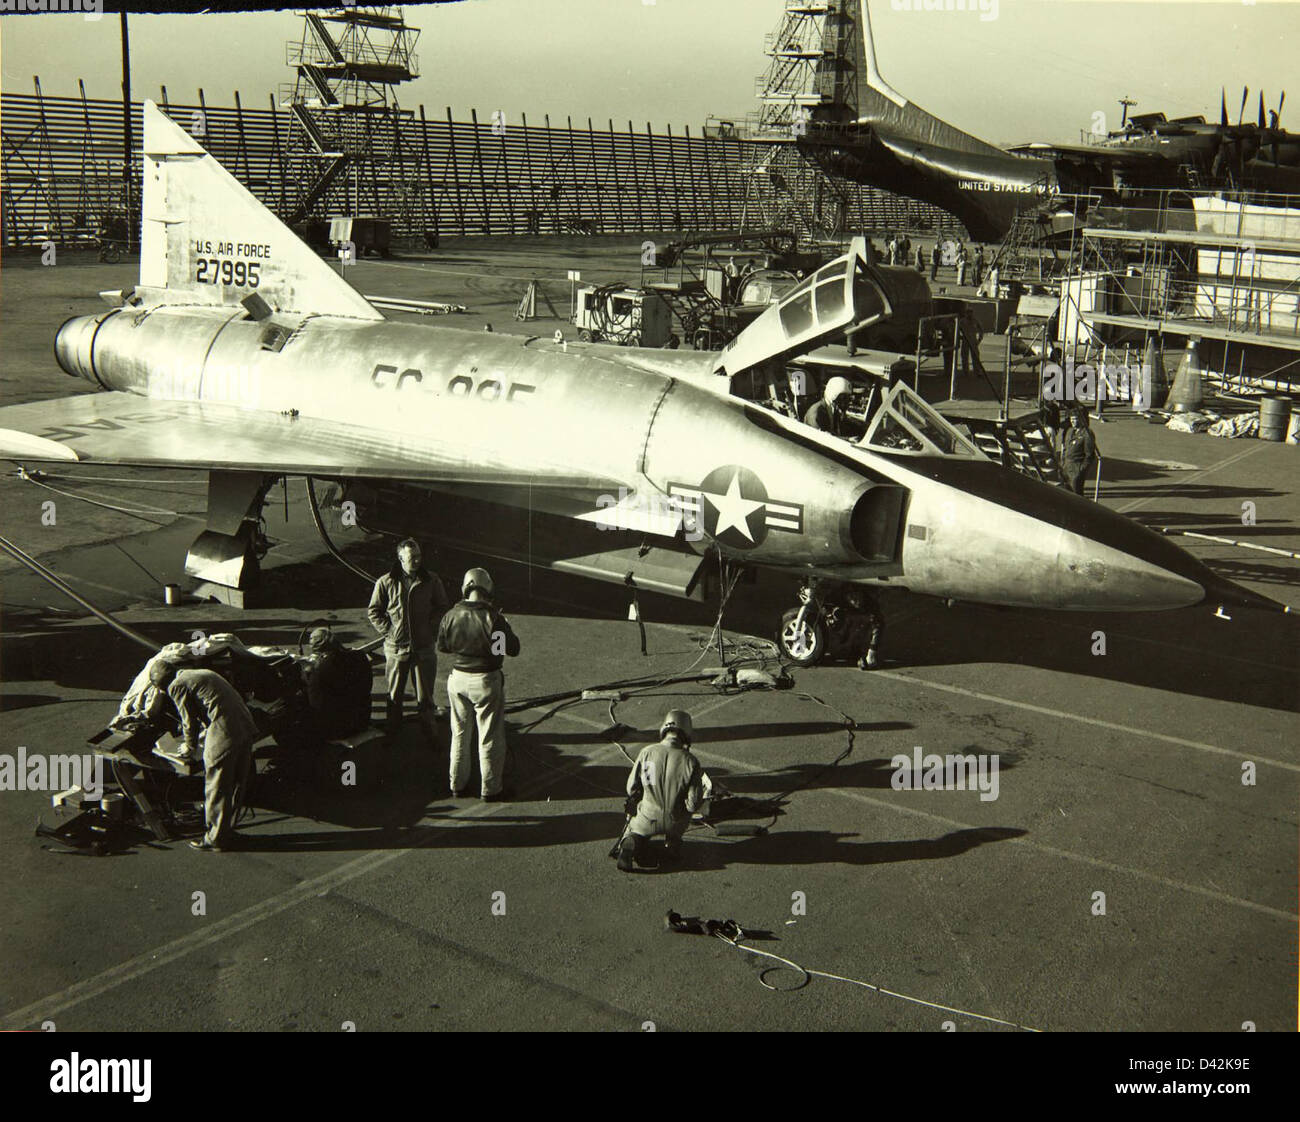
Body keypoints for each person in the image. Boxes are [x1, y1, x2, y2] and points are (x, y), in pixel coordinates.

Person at [150, 662, 257, 852]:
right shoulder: (200, 673)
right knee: (235, 782)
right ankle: (226, 831)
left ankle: (215, 838)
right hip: (245, 725)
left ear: (162, 684)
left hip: (226, 731)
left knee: (217, 785)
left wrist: (189, 747)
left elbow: (188, 722)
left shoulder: (176, 685)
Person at [437, 567, 521, 800]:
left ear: (466, 588)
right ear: (487, 590)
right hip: (485, 680)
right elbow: (512, 649)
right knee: (489, 736)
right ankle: (491, 789)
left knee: (459, 733)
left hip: (457, 679)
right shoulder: (494, 618)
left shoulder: (450, 615)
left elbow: (443, 646)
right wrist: (504, 628)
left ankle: (457, 785)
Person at [368, 539, 449, 742]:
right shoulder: (386, 582)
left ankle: (429, 732)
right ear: (400, 558)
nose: (416, 561)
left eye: (418, 556)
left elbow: (442, 607)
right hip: (396, 649)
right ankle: (393, 732)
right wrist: (389, 631)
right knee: (394, 696)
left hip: (423, 648)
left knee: (426, 697)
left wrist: (431, 629)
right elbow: (374, 611)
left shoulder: (431, 580)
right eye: (411, 557)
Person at [618, 710, 704, 872]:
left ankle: (632, 842)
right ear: (686, 732)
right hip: (675, 820)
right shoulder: (691, 761)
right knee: (679, 824)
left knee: (635, 830)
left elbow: (631, 788)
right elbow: (693, 804)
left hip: (647, 816)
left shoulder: (647, 752)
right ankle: (672, 844)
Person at [301, 627, 373, 741]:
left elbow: (315, 704)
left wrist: (308, 677)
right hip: (362, 719)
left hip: (337, 729)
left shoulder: (320, 671)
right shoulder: (359, 656)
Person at [1061, 407, 1099, 496]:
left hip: (1076, 468)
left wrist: (1081, 470)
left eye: (1075, 419)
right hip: (1066, 467)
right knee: (1065, 494)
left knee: (1076, 494)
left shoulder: (1087, 434)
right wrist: (1062, 464)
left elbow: (1089, 455)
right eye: (1071, 419)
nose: (1073, 421)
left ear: (1081, 420)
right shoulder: (1070, 431)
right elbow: (1065, 449)